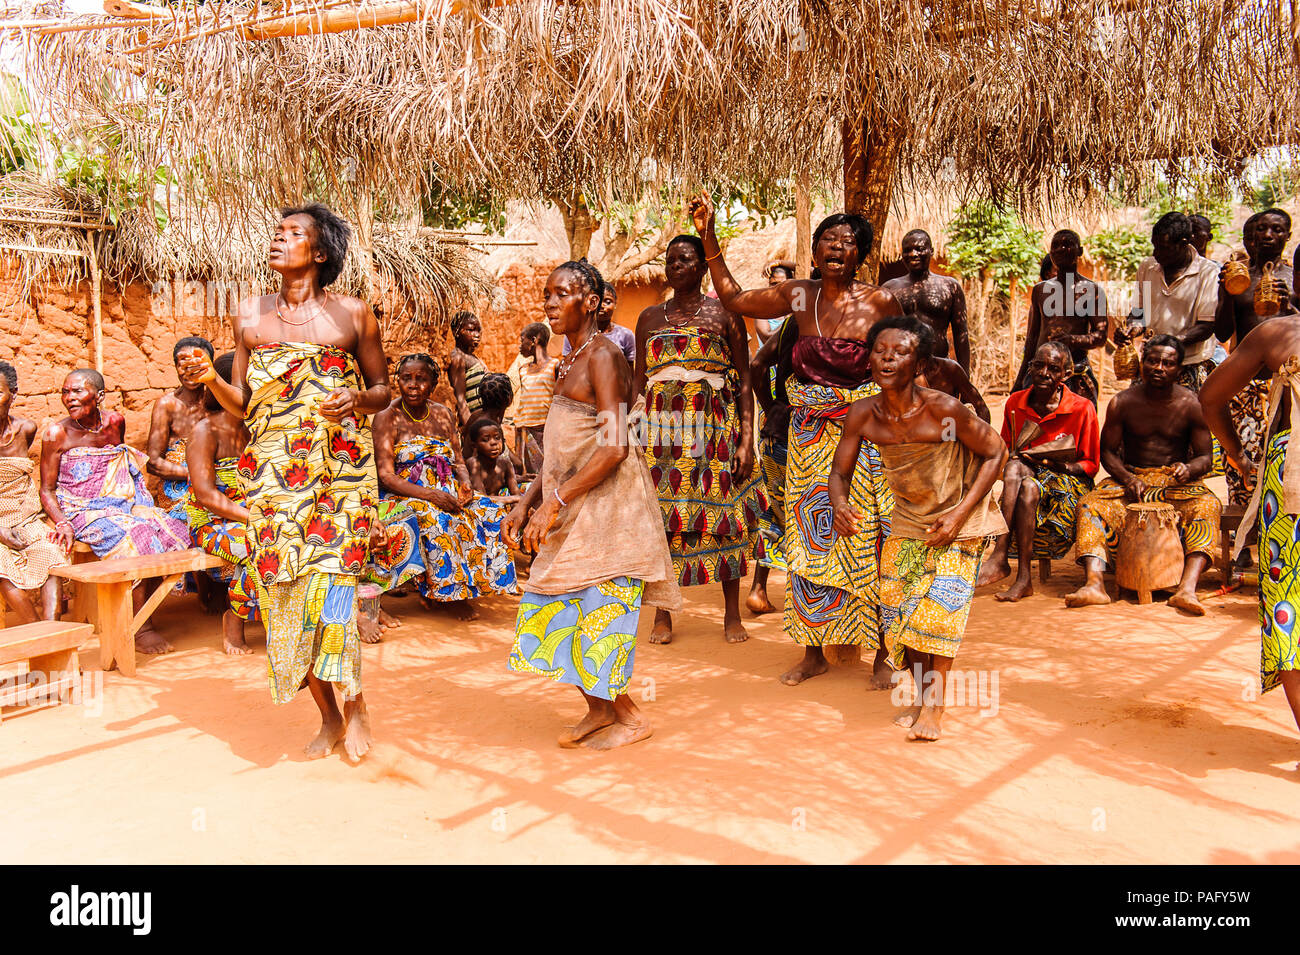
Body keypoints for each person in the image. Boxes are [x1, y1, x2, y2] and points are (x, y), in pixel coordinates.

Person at [183, 204, 387, 762]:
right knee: (285, 596)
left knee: (335, 590)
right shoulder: (250, 315)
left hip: (339, 475)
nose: (279, 240)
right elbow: (243, 403)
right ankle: (326, 716)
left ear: (319, 253)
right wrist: (213, 379)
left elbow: (382, 390)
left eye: (293, 234)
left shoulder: (354, 315)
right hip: (274, 477)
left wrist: (358, 399)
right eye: (276, 233)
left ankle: (356, 703)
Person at [689, 194, 901, 686]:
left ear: (860, 254)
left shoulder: (880, 301)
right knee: (811, 541)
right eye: (828, 239)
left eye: (848, 242)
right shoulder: (799, 295)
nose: (836, 247)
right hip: (808, 441)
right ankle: (813, 651)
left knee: (873, 540)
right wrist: (709, 236)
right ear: (814, 248)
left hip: (867, 440)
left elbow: (901, 362)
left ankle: (884, 653)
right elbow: (735, 300)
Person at [506, 260, 680, 750]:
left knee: (600, 616)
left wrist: (554, 500)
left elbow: (614, 446)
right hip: (575, 506)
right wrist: (526, 501)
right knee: (555, 610)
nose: (550, 302)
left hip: (612, 511)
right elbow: (563, 449)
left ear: (589, 300)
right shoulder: (567, 358)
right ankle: (599, 710)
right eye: (546, 294)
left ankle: (629, 716)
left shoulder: (603, 356)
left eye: (562, 293)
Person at [830, 316, 1007, 741]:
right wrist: (839, 503)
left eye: (901, 352)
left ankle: (934, 708)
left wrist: (961, 513)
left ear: (921, 362)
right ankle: (924, 694)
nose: (887, 358)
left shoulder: (943, 409)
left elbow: (996, 451)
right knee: (902, 617)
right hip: (908, 522)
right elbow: (839, 473)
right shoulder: (863, 413)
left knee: (938, 615)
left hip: (959, 521)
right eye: (880, 350)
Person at [632, 234, 764, 645]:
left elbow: (744, 381)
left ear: (703, 267)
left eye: (685, 259)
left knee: (722, 519)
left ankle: (730, 614)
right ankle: (663, 614)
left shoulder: (724, 315)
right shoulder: (649, 318)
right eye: (671, 260)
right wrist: (627, 435)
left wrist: (747, 440)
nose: (676, 266)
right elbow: (639, 385)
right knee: (662, 524)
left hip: (715, 433)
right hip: (661, 440)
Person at [1200, 292, 1300, 737]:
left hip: (1291, 480)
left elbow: (1210, 397)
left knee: (1288, 605)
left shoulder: (1278, 334)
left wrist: (1238, 456)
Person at [1064, 335, 1221, 615]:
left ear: (1179, 369)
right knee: (1090, 505)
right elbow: (1107, 452)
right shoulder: (1123, 402)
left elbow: (1206, 458)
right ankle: (1094, 584)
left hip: (1173, 484)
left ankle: (1186, 588)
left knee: (1208, 505)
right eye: (1152, 360)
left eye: (1168, 363)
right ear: (1142, 363)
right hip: (1132, 480)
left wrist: (1189, 468)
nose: (1159, 367)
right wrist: (1128, 478)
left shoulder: (1191, 404)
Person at [40, 369, 190, 653]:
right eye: (65, 392)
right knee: (136, 535)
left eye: (77, 392)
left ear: (99, 397)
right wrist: (62, 523)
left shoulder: (115, 422)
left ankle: (144, 613)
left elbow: (119, 466)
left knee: (172, 528)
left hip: (120, 503)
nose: (69, 398)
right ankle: (140, 629)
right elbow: (46, 490)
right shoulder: (55, 434)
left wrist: (138, 504)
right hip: (78, 510)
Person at [372, 353, 516, 622]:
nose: (413, 385)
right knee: (436, 519)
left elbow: (459, 461)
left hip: (446, 490)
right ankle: (444, 595)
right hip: (405, 492)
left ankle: (470, 588)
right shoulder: (387, 417)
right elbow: (386, 476)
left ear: (434, 384)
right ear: (397, 382)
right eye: (406, 379)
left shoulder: (442, 414)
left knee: (488, 512)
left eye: (421, 379)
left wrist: (464, 484)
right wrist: (432, 494)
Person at [977, 341, 1100, 601]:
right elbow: (1006, 450)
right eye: (1038, 366)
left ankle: (1009, 565)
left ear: (1065, 375)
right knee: (1015, 471)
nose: (1044, 373)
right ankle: (1014, 570)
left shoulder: (1081, 408)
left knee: (1027, 485)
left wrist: (1059, 465)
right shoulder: (1015, 402)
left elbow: (1090, 464)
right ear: (1030, 368)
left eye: (1053, 368)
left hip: (1068, 480)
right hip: (1023, 476)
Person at [1214, 208, 1295, 508]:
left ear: (1287, 235)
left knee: (1283, 459)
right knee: (1238, 459)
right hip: (1245, 383)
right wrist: (1224, 295)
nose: (1268, 235)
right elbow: (1221, 331)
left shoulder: (1292, 280)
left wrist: (1289, 306)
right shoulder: (1240, 278)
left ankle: (1278, 532)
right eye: (1262, 229)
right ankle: (1242, 538)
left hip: (1286, 385)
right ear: (1252, 235)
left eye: (1276, 230)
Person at [184, 352, 259, 655]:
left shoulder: (259, 427)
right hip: (214, 523)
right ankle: (235, 619)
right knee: (264, 544)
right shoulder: (206, 431)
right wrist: (251, 518)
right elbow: (205, 495)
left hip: (253, 516)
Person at [1116, 212, 1221, 395]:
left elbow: (1206, 326)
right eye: (1154, 246)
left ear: (1182, 244)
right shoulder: (1147, 268)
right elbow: (1139, 313)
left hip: (1188, 365)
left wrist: (1168, 344)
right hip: (1150, 365)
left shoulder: (1208, 272)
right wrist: (1131, 329)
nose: (1156, 254)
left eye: (1163, 248)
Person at [0, 360, 63, 623]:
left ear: (13, 395)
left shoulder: (26, 429)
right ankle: (39, 636)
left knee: (53, 554)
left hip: (25, 516)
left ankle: (53, 632)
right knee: (2, 568)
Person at [1014, 229, 1107, 406]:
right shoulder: (1040, 290)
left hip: (1076, 371)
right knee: (1031, 427)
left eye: (1067, 245)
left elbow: (1101, 337)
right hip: (1039, 373)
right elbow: (1032, 338)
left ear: (1079, 251)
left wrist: (1071, 340)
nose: (1060, 249)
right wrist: (1020, 380)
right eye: (1055, 245)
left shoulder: (1091, 291)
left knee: (1079, 424)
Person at [747, 314, 798, 615]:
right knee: (811, 511)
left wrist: (771, 409)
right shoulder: (833, 322)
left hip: (775, 427)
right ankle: (808, 601)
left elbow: (756, 364)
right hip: (815, 429)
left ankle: (758, 589)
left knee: (774, 506)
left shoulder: (794, 322)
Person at [147, 336, 216, 520]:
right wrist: (197, 476)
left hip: (216, 483)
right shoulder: (167, 405)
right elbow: (154, 463)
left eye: (196, 365)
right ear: (175, 367)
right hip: (179, 489)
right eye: (183, 365)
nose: (190, 372)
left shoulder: (218, 402)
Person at [883, 229, 971, 372]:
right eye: (907, 250)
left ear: (931, 251)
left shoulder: (949, 286)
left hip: (939, 369)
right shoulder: (890, 288)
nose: (913, 254)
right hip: (901, 370)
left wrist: (965, 377)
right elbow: (882, 334)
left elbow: (961, 334)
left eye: (919, 249)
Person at [510, 322, 559, 475]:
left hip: (545, 429)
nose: (519, 345)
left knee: (547, 473)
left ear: (534, 340)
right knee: (529, 474)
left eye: (522, 340)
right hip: (524, 430)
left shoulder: (555, 366)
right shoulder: (523, 370)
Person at [915, 333, 990, 421]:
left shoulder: (949, 369)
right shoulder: (905, 375)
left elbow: (982, 408)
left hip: (948, 431)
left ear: (933, 346)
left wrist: (981, 433)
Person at [564, 283, 636, 366]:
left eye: (608, 302)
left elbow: (629, 373)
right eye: (596, 301)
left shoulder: (626, 335)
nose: (601, 305)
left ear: (615, 304)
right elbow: (566, 369)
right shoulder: (574, 335)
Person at [446, 310, 487, 429]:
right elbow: (461, 400)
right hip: (475, 426)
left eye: (478, 330)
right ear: (456, 332)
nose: (477, 334)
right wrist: (472, 431)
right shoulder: (458, 358)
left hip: (484, 424)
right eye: (471, 330)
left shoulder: (471, 357)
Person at [465, 418, 520, 501]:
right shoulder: (474, 463)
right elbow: (481, 499)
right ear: (474, 446)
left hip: (499, 504)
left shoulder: (505, 463)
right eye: (486, 440)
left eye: (497, 438)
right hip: (480, 507)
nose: (493, 443)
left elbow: (516, 493)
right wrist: (514, 499)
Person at [753, 261, 797, 345]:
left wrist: (779, 262)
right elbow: (767, 338)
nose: (777, 288)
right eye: (773, 284)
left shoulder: (798, 307)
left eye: (782, 283)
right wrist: (789, 320)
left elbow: (815, 272)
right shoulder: (761, 310)